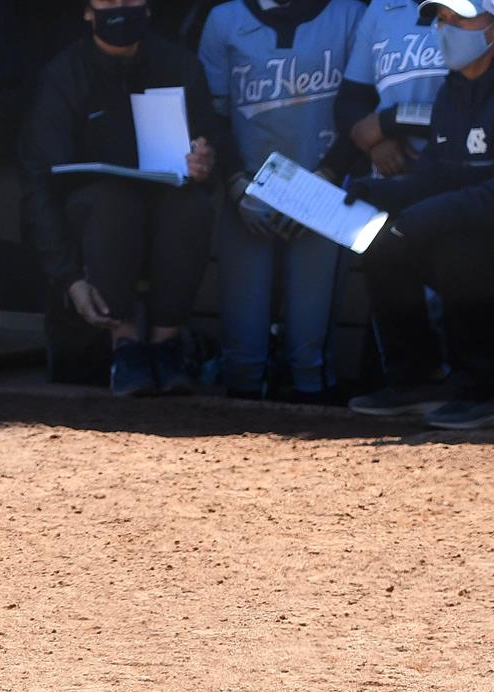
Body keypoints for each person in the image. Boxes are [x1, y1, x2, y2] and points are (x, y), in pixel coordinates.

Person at [342, 0, 494, 430]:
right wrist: (376, 193)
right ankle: (416, 381)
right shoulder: (455, 89)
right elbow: (434, 176)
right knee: (380, 239)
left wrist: (421, 218)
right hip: (490, 250)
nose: (446, 29)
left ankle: (485, 391)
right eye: (442, 20)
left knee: (455, 244)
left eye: (458, 19)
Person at [22, 0, 227, 397]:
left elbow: (210, 140)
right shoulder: (63, 76)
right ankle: (125, 347)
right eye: (110, 2)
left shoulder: (177, 64)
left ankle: (166, 345)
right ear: (87, 11)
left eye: (131, 1)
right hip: (94, 222)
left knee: (191, 207)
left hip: (167, 211)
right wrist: (69, 279)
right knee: (114, 204)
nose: (121, 9)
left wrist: (206, 159)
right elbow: (39, 182)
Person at [199, 0, 362, 402]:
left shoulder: (349, 14)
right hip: (248, 192)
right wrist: (235, 180)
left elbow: (365, 107)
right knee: (243, 348)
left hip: (325, 188)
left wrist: (322, 185)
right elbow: (209, 114)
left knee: (311, 351)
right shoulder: (225, 19)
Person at [326, 0, 452, 415]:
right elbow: (350, 101)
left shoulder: (479, 9)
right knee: (386, 262)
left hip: (455, 172)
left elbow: (479, 104)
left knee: (450, 289)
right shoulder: (382, 9)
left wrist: (392, 121)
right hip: (393, 177)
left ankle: (472, 391)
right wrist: (376, 141)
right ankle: (411, 383)